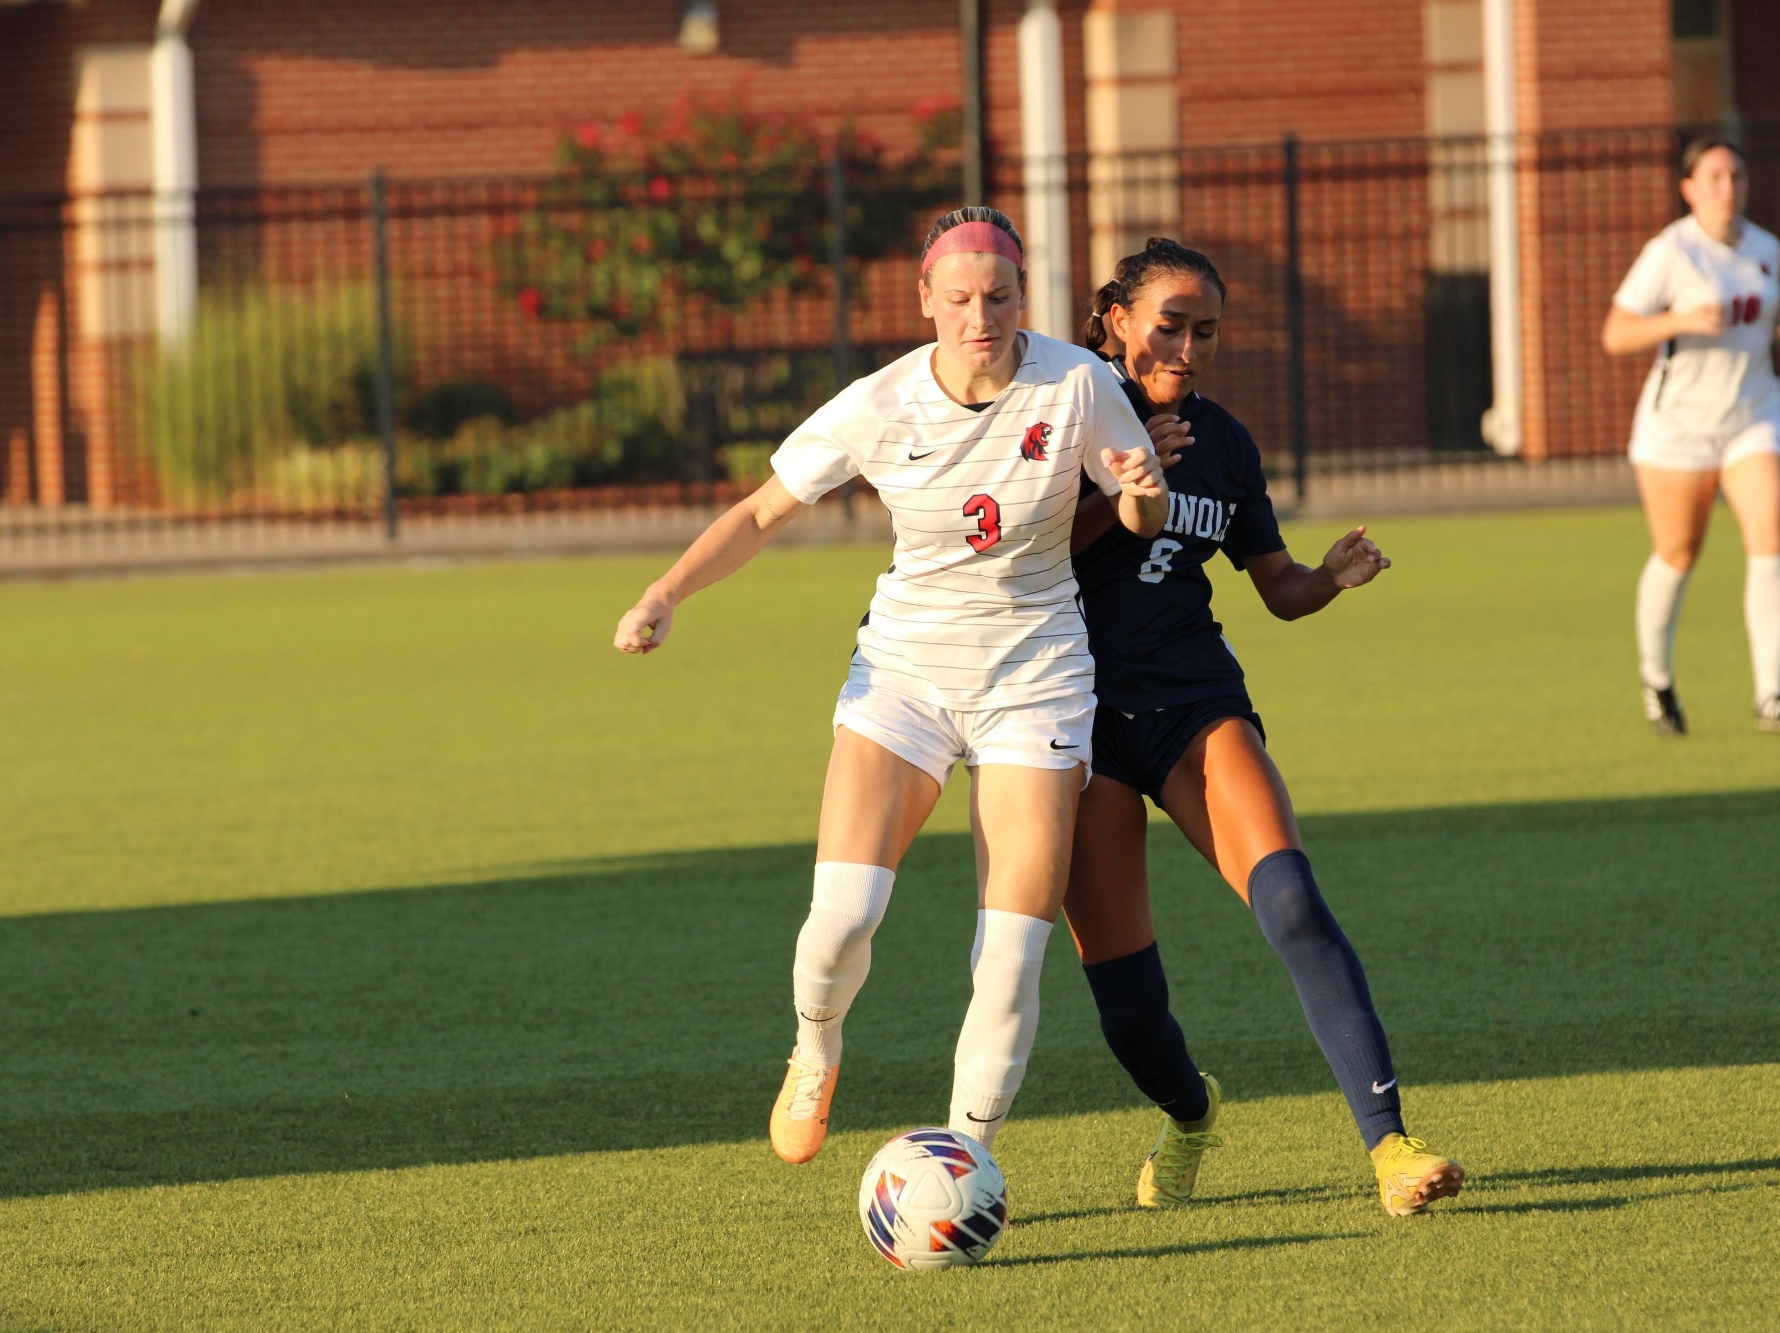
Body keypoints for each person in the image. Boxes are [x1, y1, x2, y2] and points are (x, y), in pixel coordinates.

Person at [614, 207, 1171, 1165]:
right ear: (925, 300)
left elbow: (1137, 508)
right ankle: (815, 1046)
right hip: (906, 674)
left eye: (999, 296)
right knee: (841, 920)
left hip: (1036, 678)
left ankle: (968, 1160)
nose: (980, 317)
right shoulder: (879, 403)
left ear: (1023, 295)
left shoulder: (1079, 382)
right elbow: (761, 512)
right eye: (959, 299)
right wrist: (664, 593)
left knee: (1011, 954)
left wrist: (1143, 494)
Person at [1061, 237, 1463, 1217]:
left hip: (1193, 701)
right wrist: (1125, 487)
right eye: (1169, 325)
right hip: (1071, 718)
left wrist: (1326, 577)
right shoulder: (1062, 418)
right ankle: (1191, 1112)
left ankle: (1391, 1147)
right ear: (1115, 320)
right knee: (1129, 1009)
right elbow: (1011, 556)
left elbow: (1274, 586)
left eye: (1205, 332)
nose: (1187, 348)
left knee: (1290, 899)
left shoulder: (1224, 442)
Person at [1601, 135, 1780, 736]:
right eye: (1715, 177)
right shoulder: (1671, 251)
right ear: (1689, 189)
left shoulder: (1765, 247)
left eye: (1736, 176)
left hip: (1753, 414)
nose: (1728, 187)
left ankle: (1771, 693)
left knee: (1771, 540)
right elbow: (1615, 334)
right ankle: (1657, 681)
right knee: (1678, 553)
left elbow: (1770, 316)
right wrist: (1679, 318)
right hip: (1679, 427)